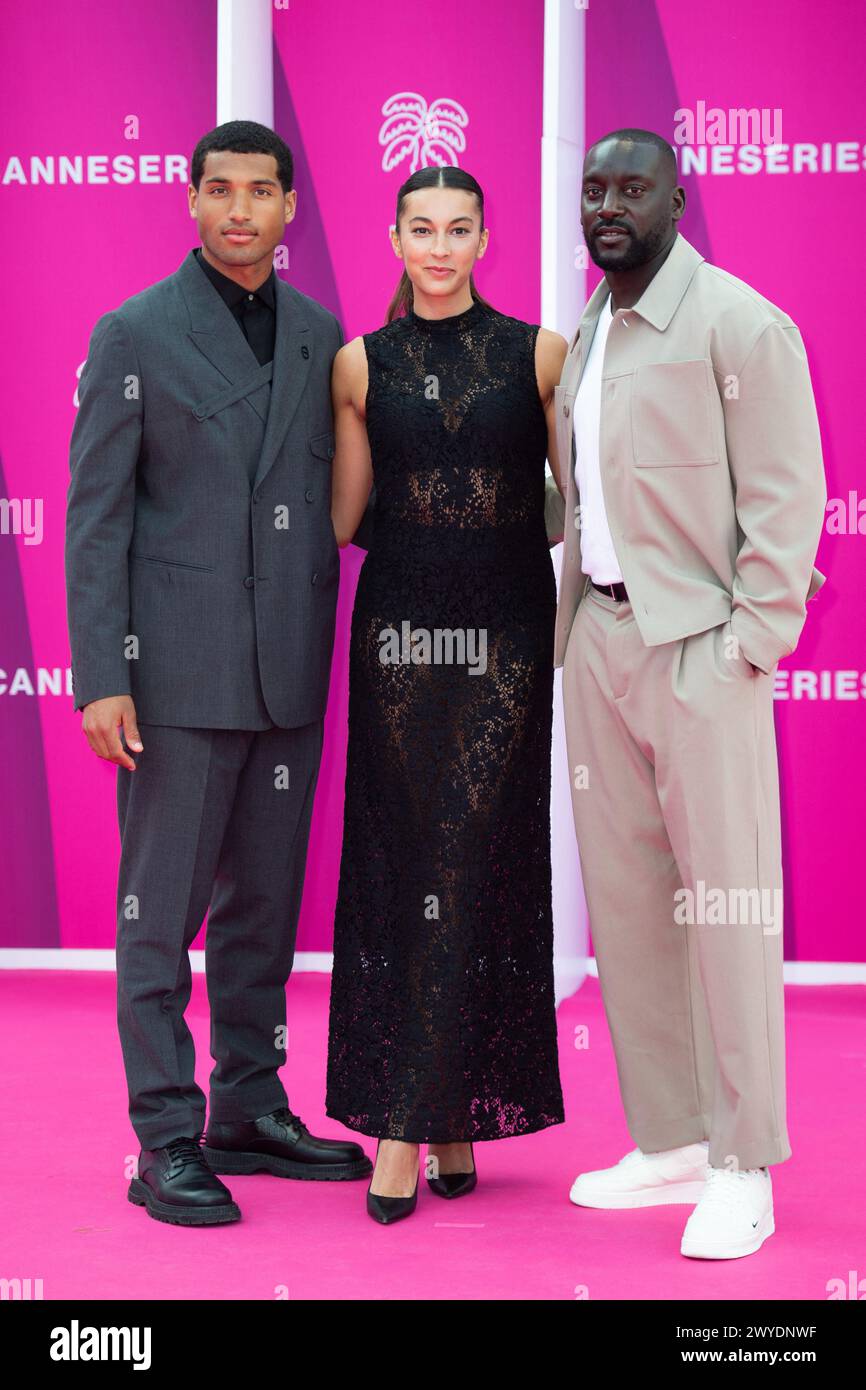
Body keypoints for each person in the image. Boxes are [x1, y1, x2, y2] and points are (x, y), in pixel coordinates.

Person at [65, 120, 373, 1227]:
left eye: (261, 191)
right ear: (190, 201)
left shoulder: (319, 336)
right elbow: (94, 521)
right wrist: (103, 674)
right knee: (159, 916)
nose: (240, 209)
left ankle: (247, 1105)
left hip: (286, 676)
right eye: (220, 190)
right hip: (172, 679)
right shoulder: (134, 333)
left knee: (265, 915)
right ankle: (164, 1136)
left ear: (290, 208)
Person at [547, 128, 826, 1258]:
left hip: (699, 653)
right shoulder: (589, 337)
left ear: (676, 197)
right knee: (631, 908)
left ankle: (741, 1163)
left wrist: (744, 648)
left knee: (727, 914)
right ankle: (668, 1139)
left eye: (632, 187)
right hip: (599, 642)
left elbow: (784, 496)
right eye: (592, 188)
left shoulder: (739, 324)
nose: (607, 205)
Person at [326, 166, 568, 1224]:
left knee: (475, 856)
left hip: (505, 642)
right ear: (393, 238)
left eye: (457, 228)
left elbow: (569, 510)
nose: (437, 245)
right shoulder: (356, 364)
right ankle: (427, 1119)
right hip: (400, 640)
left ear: (484, 237)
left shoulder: (541, 352)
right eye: (419, 228)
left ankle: (418, 1120)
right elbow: (345, 518)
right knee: (408, 861)